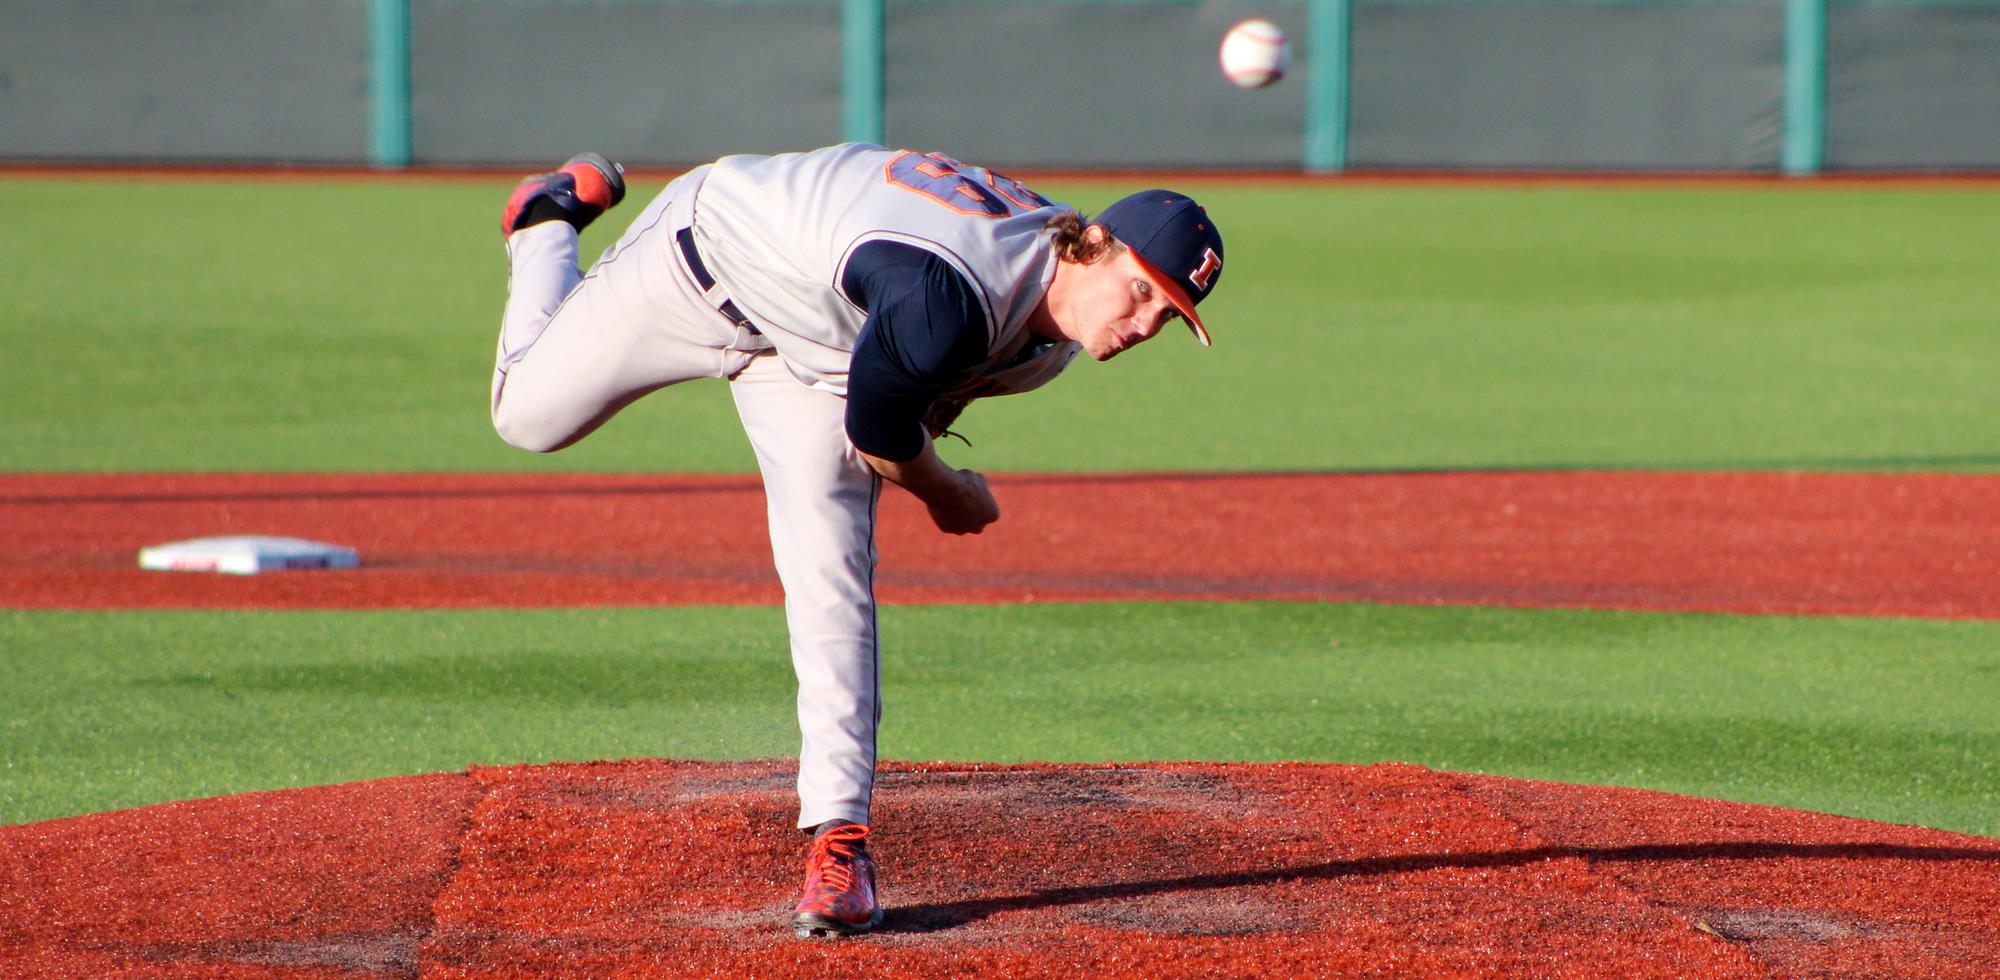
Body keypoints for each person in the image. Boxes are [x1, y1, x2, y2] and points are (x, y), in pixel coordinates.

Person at [489, 143, 1225, 937]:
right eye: (1142, 291)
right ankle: (545, 222)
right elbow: (879, 423)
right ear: (1093, 246)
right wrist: (945, 490)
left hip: (826, 349)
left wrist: (918, 426)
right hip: (705, 262)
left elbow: (899, 390)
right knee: (528, 418)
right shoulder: (954, 287)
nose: (1145, 322)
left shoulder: (1051, 337)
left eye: (1170, 316)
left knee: (830, 560)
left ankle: (839, 848)